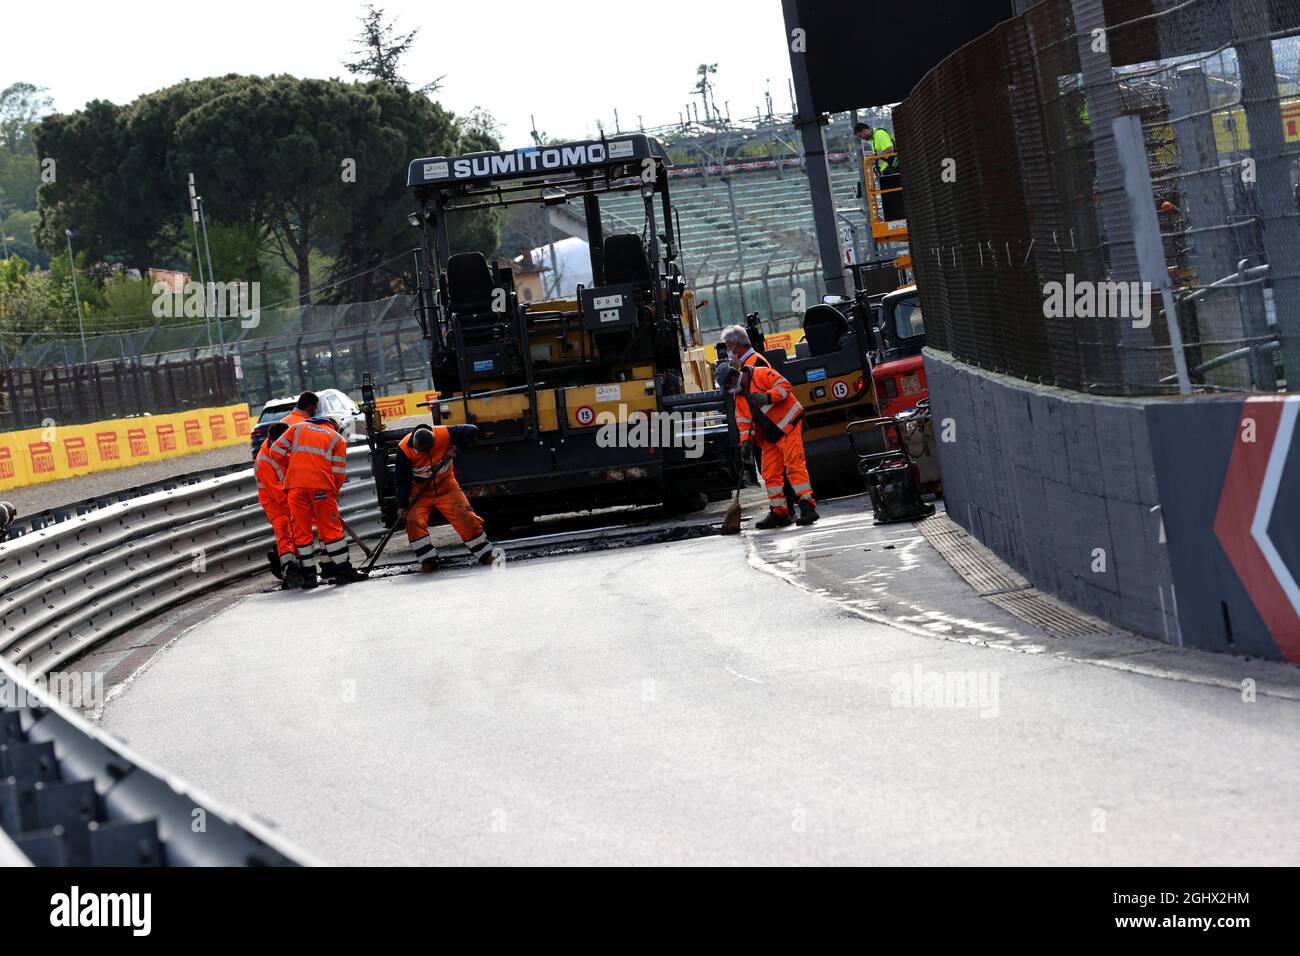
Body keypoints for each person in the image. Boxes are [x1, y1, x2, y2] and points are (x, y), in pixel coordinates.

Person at [268, 414, 366, 589]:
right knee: (331, 529)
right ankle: (344, 570)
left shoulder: (298, 428)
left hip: (296, 488)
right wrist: (331, 494)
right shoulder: (337, 439)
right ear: (333, 426)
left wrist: (295, 466)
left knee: (301, 531)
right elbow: (338, 473)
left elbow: (275, 451)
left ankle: (309, 576)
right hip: (321, 488)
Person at [716, 362, 819, 528]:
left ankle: (807, 507)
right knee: (769, 473)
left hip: (789, 426)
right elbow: (743, 422)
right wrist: (746, 443)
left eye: (727, 385)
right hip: (770, 435)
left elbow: (785, 386)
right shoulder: (740, 397)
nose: (728, 390)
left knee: (794, 466)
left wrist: (767, 397)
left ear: (734, 378)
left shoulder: (761, 374)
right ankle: (779, 512)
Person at [395, 423, 492, 571]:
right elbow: (402, 480)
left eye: (422, 451)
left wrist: (454, 448)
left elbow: (473, 430)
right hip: (420, 495)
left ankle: (485, 554)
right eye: (417, 450)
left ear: (432, 444)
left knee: (466, 517)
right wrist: (402, 505)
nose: (419, 453)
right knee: (414, 521)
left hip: (447, 489)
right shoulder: (404, 449)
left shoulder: (444, 434)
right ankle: (428, 561)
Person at [254, 421, 296, 588]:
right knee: (285, 533)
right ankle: (288, 570)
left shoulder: (286, 448)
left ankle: (298, 567)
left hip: (290, 499)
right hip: (275, 505)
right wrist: (298, 502)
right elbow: (277, 492)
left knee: (296, 534)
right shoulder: (263, 461)